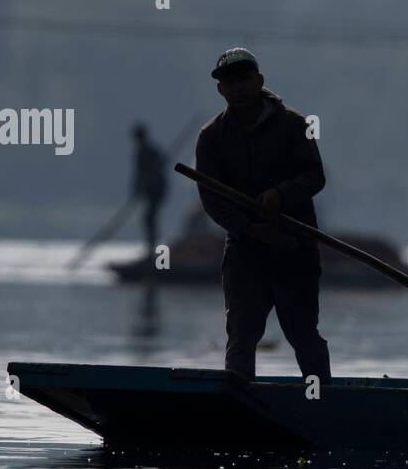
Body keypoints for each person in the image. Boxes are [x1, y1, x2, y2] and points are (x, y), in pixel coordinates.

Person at [194, 47, 331, 384]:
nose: (238, 87)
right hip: (245, 251)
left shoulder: (295, 125)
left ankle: (322, 402)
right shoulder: (211, 138)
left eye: (244, 79)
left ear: (259, 81)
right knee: (242, 334)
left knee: (303, 333)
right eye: (230, 82)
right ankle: (240, 405)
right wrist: (251, 229)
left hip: (294, 247)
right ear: (220, 89)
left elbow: (315, 176)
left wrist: (280, 194)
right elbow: (212, 200)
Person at [131, 123, 167, 254]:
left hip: (156, 191)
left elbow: (162, 165)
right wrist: (136, 190)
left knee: (150, 218)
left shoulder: (152, 152)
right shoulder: (141, 153)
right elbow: (139, 174)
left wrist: (151, 177)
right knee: (148, 219)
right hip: (149, 191)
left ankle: (152, 250)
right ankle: (151, 249)